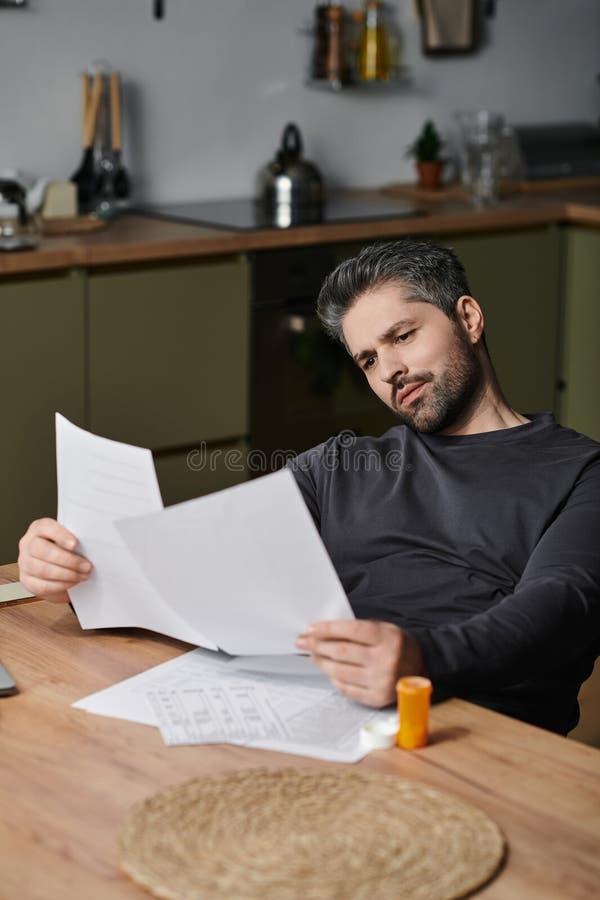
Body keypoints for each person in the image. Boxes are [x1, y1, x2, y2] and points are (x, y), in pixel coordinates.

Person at [17, 239, 600, 735]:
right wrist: (84, 571)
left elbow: (559, 607)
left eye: (402, 336)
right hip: (316, 713)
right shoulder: (341, 464)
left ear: (468, 319)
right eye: (368, 359)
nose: (389, 370)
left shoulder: (579, 471)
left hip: (466, 725)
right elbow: (199, 556)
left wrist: (422, 660)